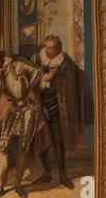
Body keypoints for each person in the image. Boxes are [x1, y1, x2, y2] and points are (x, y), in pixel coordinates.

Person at [0, 50, 50, 198]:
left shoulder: (18, 64)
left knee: (23, 147)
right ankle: (0, 185)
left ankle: (18, 184)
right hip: (13, 109)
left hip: (29, 109)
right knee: (3, 146)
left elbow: (38, 70)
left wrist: (28, 91)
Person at [36, 34, 94, 185]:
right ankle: (47, 172)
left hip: (57, 107)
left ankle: (62, 174)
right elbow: (31, 80)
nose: (49, 50)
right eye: (47, 47)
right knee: (41, 140)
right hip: (39, 106)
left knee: (58, 140)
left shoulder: (65, 62)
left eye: (53, 47)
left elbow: (77, 76)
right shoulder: (37, 59)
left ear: (59, 47)